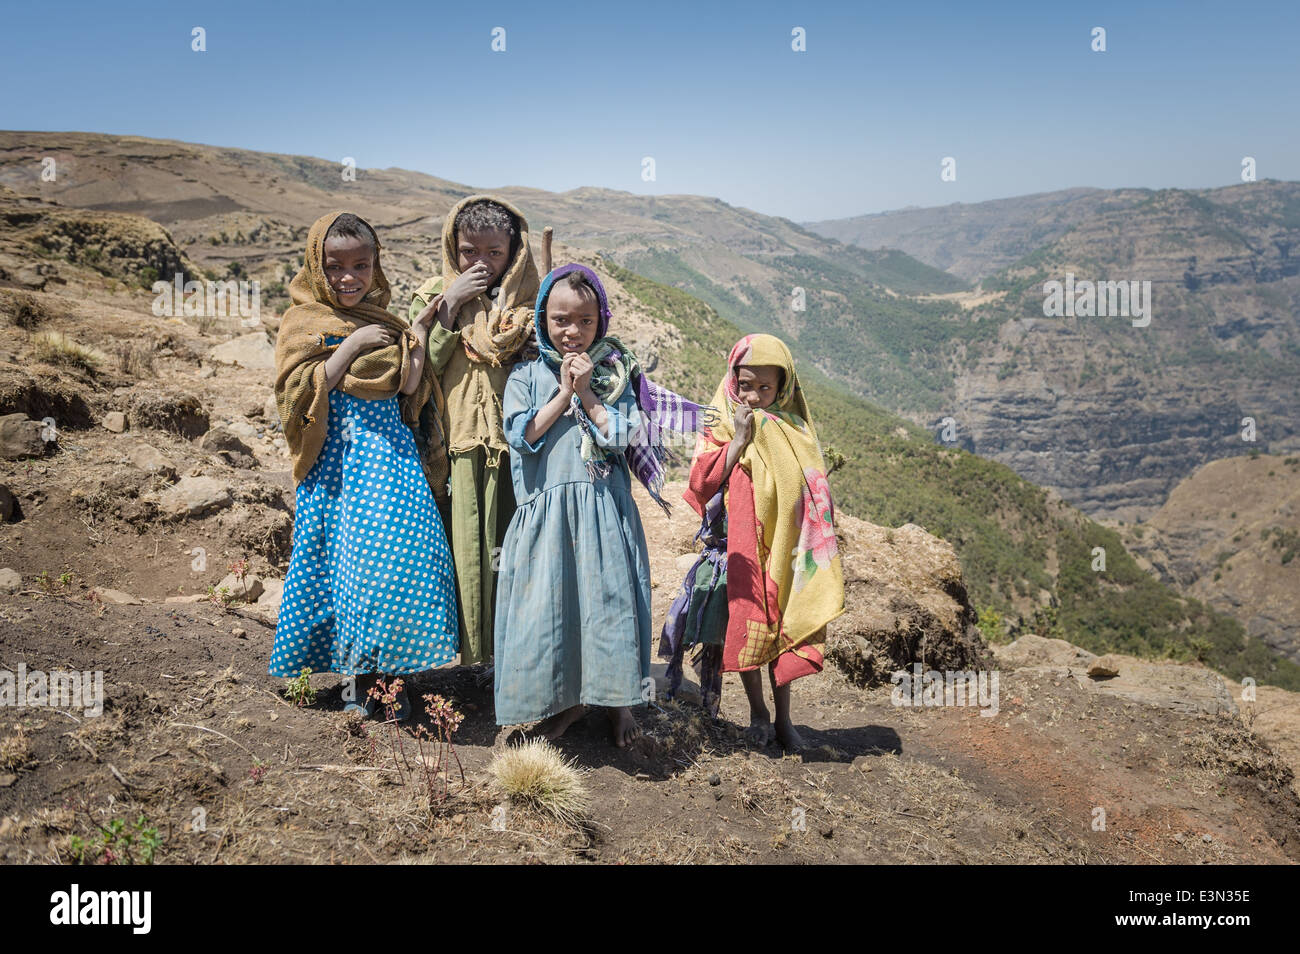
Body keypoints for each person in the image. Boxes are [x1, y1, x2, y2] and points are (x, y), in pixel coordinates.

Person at [493, 264, 712, 746]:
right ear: (542, 319)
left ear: (601, 322)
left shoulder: (615, 374)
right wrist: (565, 391)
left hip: (604, 509)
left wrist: (589, 392)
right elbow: (523, 434)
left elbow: (624, 435)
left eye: (585, 322)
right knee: (553, 608)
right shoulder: (526, 376)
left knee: (608, 605)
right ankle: (565, 703)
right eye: (560, 320)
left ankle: (618, 704)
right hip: (547, 515)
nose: (572, 332)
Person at [271, 211, 458, 719]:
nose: (348, 277)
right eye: (335, 266)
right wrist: (349, 347)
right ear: (315, 265)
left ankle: (392, 680)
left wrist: (417, 330)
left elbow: (407, 386)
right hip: (338, 467)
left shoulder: (387, 321)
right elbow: (297, 393)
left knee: (399, 564)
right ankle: (357, 684)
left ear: (376, 266)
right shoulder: (304, 322)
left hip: (392, 461)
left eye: (361, 264)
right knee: (346, 571)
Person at [683, 333, 845, 750]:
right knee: (749, 621)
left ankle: (785, 719)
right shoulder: (720, 417)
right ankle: (758, 712)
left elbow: (813, 490)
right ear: (732, 378)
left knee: (782, 621)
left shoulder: (794, 428)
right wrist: (738, 440)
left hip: (786, 546)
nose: (753, 396)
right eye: (745, 384)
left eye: (765, 387)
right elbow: (701, 481)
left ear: (784, 387)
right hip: (738, 544)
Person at [407, 196, 538, 667]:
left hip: (516, 453)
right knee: (461, 555)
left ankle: (510, 660)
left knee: (512, 555)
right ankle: (461, 658)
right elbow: (416, 372)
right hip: (455, 449)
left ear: (515, 253)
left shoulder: (530, 307)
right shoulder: (432, 298)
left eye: (494, 253)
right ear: (451, 247)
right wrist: (452, 305)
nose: (480, 264)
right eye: (468, 252)